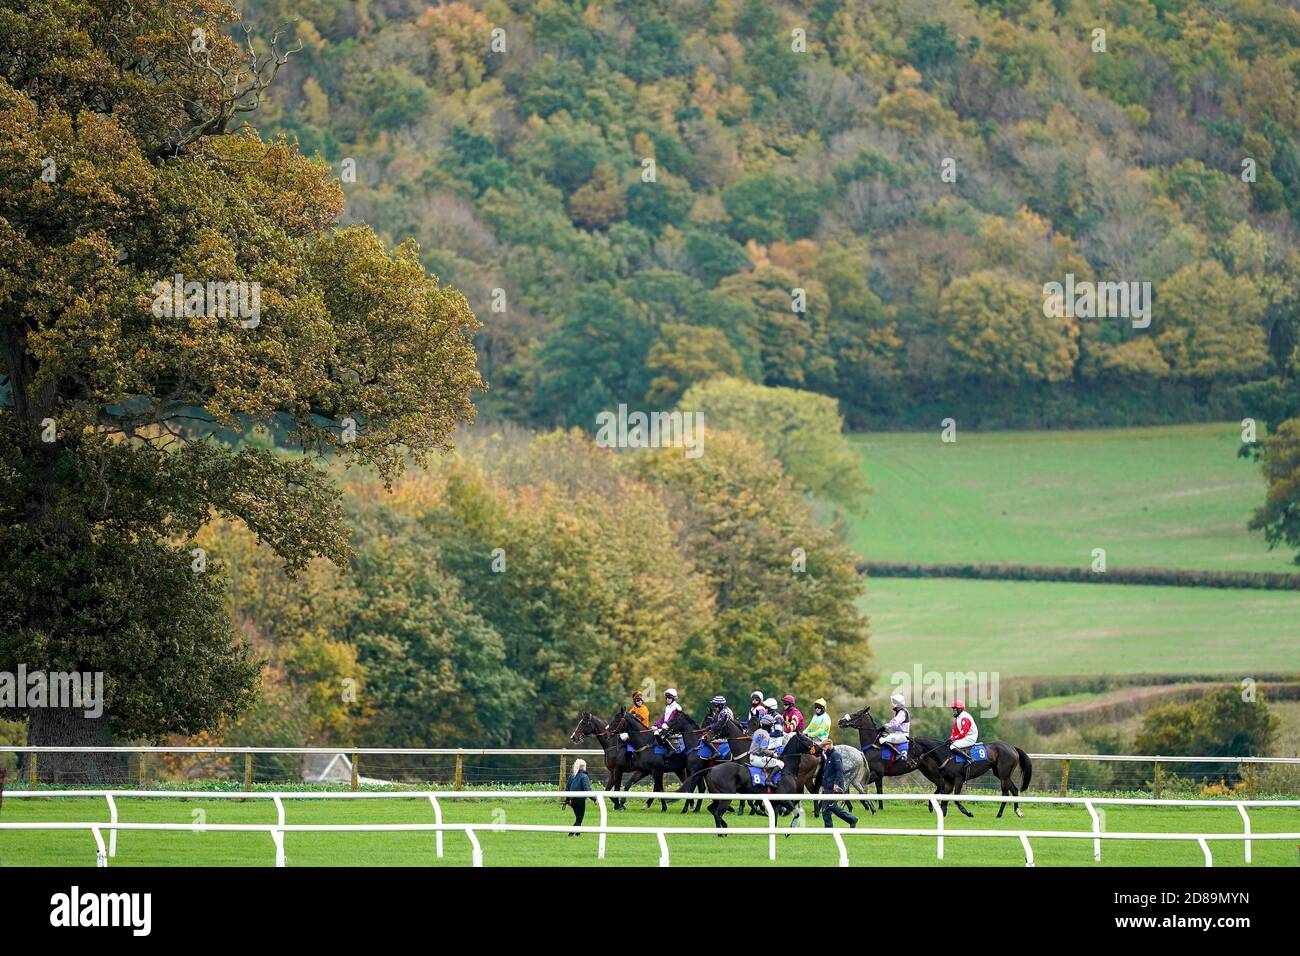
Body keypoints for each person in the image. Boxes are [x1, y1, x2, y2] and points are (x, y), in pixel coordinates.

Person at [819, 739, 857, 828]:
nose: (823, 748)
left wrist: (836, 784)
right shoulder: (829, 756)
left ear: (829, 745)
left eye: (824, 746)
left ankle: (851, 819)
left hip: (833, 787)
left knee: (829, 807)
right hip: (828, 786)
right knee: (827, 808)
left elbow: (839, 771)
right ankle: (829, 828)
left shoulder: (835, 755)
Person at [563, 758, 596, 835]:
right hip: (580, 800)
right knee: (579, 819)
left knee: (578, 817)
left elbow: (567, 789)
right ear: (583, 767)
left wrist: (567, 800)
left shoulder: (572, 776)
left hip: (572, 801)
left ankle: (578, 833)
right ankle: (571, 833)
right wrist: (594, 799)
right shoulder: (584, 776)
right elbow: (587, 789)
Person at [748, 718, 784, 786]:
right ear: (768, 725)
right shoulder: (766, 734)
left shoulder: (757, 731)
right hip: (757, 759)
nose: (772, 727)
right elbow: (763, 750)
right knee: (781, 764)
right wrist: (773, 754)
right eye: (772, 725)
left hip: (752, 756)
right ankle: (768, 780)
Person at [947, 698, 978, 770]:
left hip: (970, 738)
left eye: (955, 709)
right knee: (949, 744)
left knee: (953, 746)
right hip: (965, 736)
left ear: (960, 709)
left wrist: (953, 739)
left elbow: (963, 733)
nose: (953, 710)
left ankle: (969, 759)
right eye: (953, 709)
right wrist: (950, 738)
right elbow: (955, 731)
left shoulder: (965, 718)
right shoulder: (958, 717)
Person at [879, 692, 911, 758]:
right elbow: (892, 722)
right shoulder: (898, 712)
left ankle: (897, 754)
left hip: (902, 736)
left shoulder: (902, 712)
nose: (892, 704)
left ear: (898, 703)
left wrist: (885, 726)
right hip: (898, 734)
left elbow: (895, 723)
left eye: (894, 702)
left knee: (882, 740)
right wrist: (886, 727)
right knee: (883, 736)